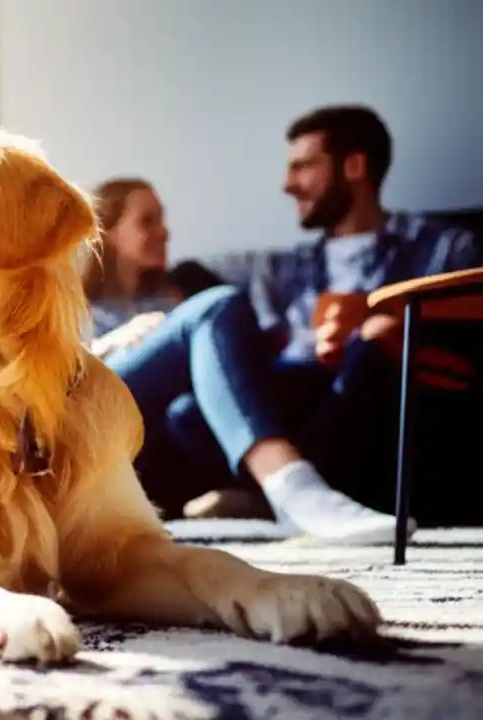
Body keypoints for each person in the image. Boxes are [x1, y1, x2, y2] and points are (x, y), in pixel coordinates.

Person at [100, 104, 480, 544]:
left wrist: (382, 317)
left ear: (354, 166)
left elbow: (469, 323)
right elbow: (230, 335)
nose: (287, 184)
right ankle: (292, 493)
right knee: (187, 412)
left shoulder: (442, 247)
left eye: (302, 167)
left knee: (368, 347)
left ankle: (280, 495)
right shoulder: (282, 269)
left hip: (374, 382)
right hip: (294, 388)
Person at [80, 178, 223, 361]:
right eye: (147, 221)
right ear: (107, 233)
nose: (164, 232)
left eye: (161, 220)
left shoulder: (174, 292)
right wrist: (117, 340)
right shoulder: (79, 311)